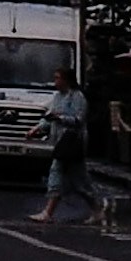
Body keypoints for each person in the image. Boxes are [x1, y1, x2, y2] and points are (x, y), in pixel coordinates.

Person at [39, 76, 91, 225]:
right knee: (78, 179)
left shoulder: (78, 97)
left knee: (57, 171)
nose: (54, 81)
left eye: (57, 78)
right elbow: (49, 115)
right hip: (61, 142)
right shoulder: (57, 97)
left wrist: (60, 118)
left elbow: (78, 120)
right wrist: (38, 128)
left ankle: (48, 212)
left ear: (66, 80)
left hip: (73, 141)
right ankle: (97, 208)